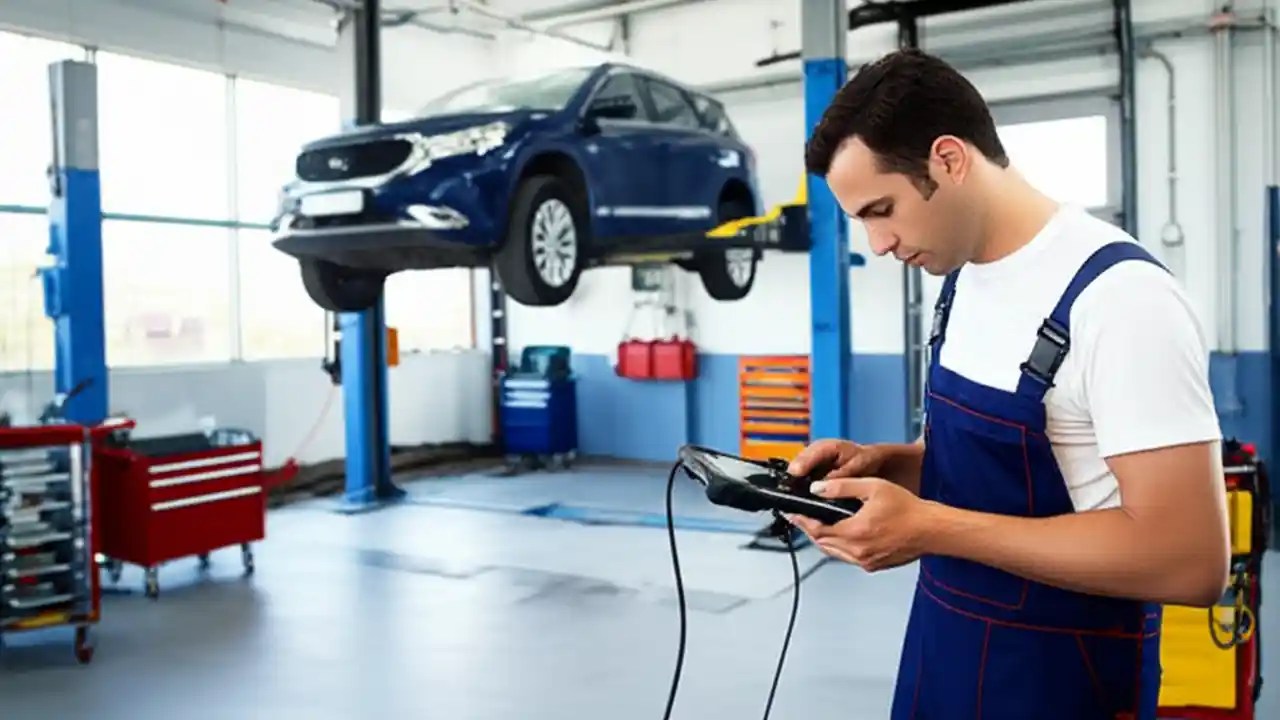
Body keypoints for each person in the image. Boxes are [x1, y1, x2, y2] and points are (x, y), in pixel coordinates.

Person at [788, 48, 1231, 720]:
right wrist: (888, 466)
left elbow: (1189, 561)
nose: (878, 244)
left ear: (949, 160)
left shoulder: (1123, 300)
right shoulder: (962, 281)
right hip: (941, 652)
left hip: (1062, 683)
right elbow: (985, 466)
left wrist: (930, 527)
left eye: (882, 209)